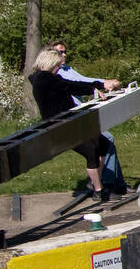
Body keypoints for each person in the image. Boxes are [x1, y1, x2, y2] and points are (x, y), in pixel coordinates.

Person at [28, 46, 122, 202]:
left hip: (70, 120)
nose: (58, 68)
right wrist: (97, 86)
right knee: (90, 150)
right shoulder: (45, 79)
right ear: (50, 63)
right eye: (57, 65)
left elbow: (71, 84)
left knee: (103, 144)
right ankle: (99, 191)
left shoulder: (43, 78)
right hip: (60, 125)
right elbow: (71, 86)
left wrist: (95, 86)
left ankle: (96, 184)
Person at [51, 41, 128, 195]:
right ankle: (106, 184)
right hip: (73, 119)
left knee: (107, 143)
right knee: (106, 141)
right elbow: (76, 84)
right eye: (60, 52)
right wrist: (103, 84)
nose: (64, 55)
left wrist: (103, 83)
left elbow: (84, 79)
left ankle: (116, 184)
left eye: (65, 51)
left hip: (83, 115)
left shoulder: (67, 69)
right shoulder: (55, 75)